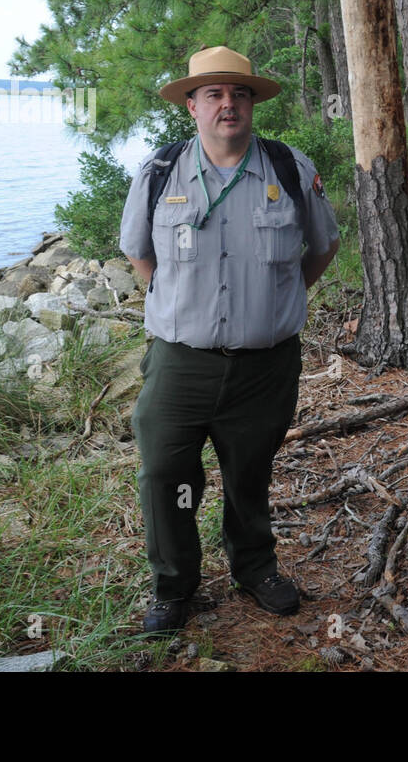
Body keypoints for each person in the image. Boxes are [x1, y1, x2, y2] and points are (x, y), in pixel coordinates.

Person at [119, 45, 340, 634]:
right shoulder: (159, 171)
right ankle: (174, 585)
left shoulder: (289, 168)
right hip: (178, 363)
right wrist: (182, 306)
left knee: (249, 472)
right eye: (213, 94)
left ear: (252, 103)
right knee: (167, 475)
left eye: (238, 93)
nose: (227, 104)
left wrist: (273, 304)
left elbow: (321, 248)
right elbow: (141, 255)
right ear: (190, 106)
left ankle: (254, 567)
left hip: (265, 365)